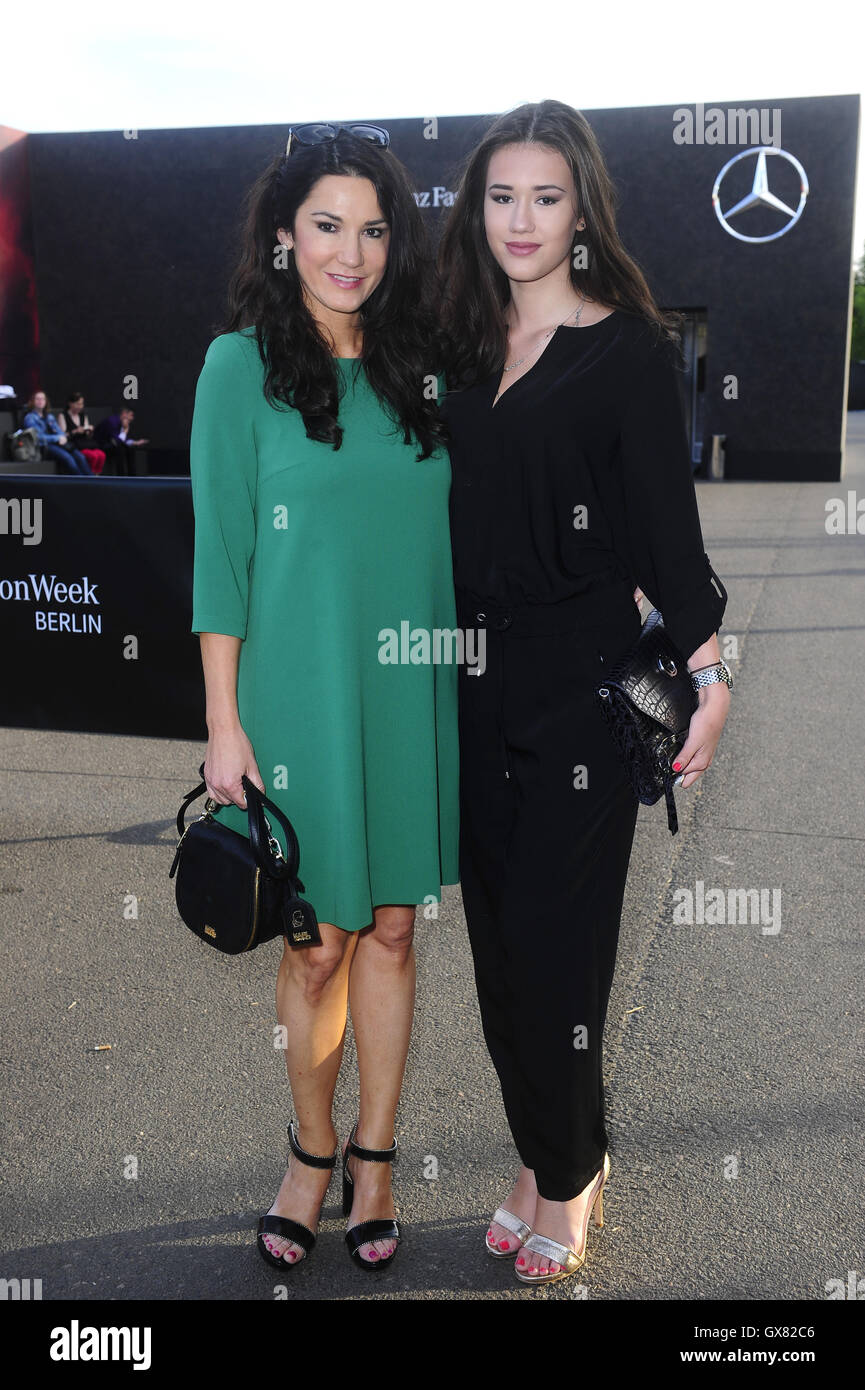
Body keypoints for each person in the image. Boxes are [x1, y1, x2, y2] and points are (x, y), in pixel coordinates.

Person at [437, 99, 732, 1287]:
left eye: (545, 197)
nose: (521, 219)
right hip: (471, 684)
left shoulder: (628, 352)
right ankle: (539, 1153)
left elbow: (668, 531)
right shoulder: (459, 350)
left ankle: (572, 1173)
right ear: (478, 210)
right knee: (498, 953)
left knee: (558, 952)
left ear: (581, 212)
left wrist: (707, 674)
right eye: (501, 196)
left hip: (581, 691)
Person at [189, 124, 459, 1273]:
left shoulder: (423, 364)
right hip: (294, 699)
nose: (351, 253)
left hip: (408, 689)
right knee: (316, 944)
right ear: (283, 234)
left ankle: (375, 1154)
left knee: (392, 928)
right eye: (328, 226)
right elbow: (221, 557)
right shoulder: (236, 368)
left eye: (374, 229)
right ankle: (309, 1151)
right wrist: (224, 723)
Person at [22, 391, 92, 474]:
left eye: (43, 399)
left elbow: (60, 432)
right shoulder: (30, 418)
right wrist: (57, 438)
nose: (40, 401)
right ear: (32, 401)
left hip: (58, 444)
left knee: (80, 457)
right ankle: (81, 480)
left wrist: (62, 437)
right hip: (43, 446)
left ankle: (92, 480)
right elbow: (38, 437)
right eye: (37, 399)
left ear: (46, 401)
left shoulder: (49, 417)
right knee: (68, 458)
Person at [57, 393, 106, 475]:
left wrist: (89, 431)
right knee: (92, 456)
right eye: (77, 404)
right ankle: (90, 477)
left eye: (81, 404)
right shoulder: (63, 416)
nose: (80, 406)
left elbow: (87, 434)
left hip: (85, 443)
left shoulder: (83, 415)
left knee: (101, 455)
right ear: (70, 404)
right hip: (74, 445)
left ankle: (96, 475)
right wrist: (76, 431)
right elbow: (62, 435)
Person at [93, 408, 148, 475]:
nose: (132, 418)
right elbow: (117, 441)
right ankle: (121, 476)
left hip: (113, 444)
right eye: (131, 415)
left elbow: (123, 440)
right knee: (120, 449)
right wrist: (125, 430)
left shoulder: (121, 423)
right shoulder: (112, 422)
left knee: (130, 448)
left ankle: (132, 476)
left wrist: (136, 443)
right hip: (101, 445)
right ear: (124, 414)